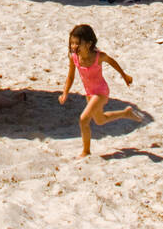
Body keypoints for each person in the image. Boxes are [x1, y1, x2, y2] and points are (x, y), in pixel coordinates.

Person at [58, 24, 139, 158]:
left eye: (78, 43)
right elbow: (70, 76)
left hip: (101, 92)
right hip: (90, 93)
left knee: (83, 119)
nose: (74, 46)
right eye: (72, 43)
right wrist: (65, 93)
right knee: (100, 120)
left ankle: (86, 151)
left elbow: (112, 62)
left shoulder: (98, 56)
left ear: (89, 44)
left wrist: (124, 76)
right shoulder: (74, 57)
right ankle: (126, 113)